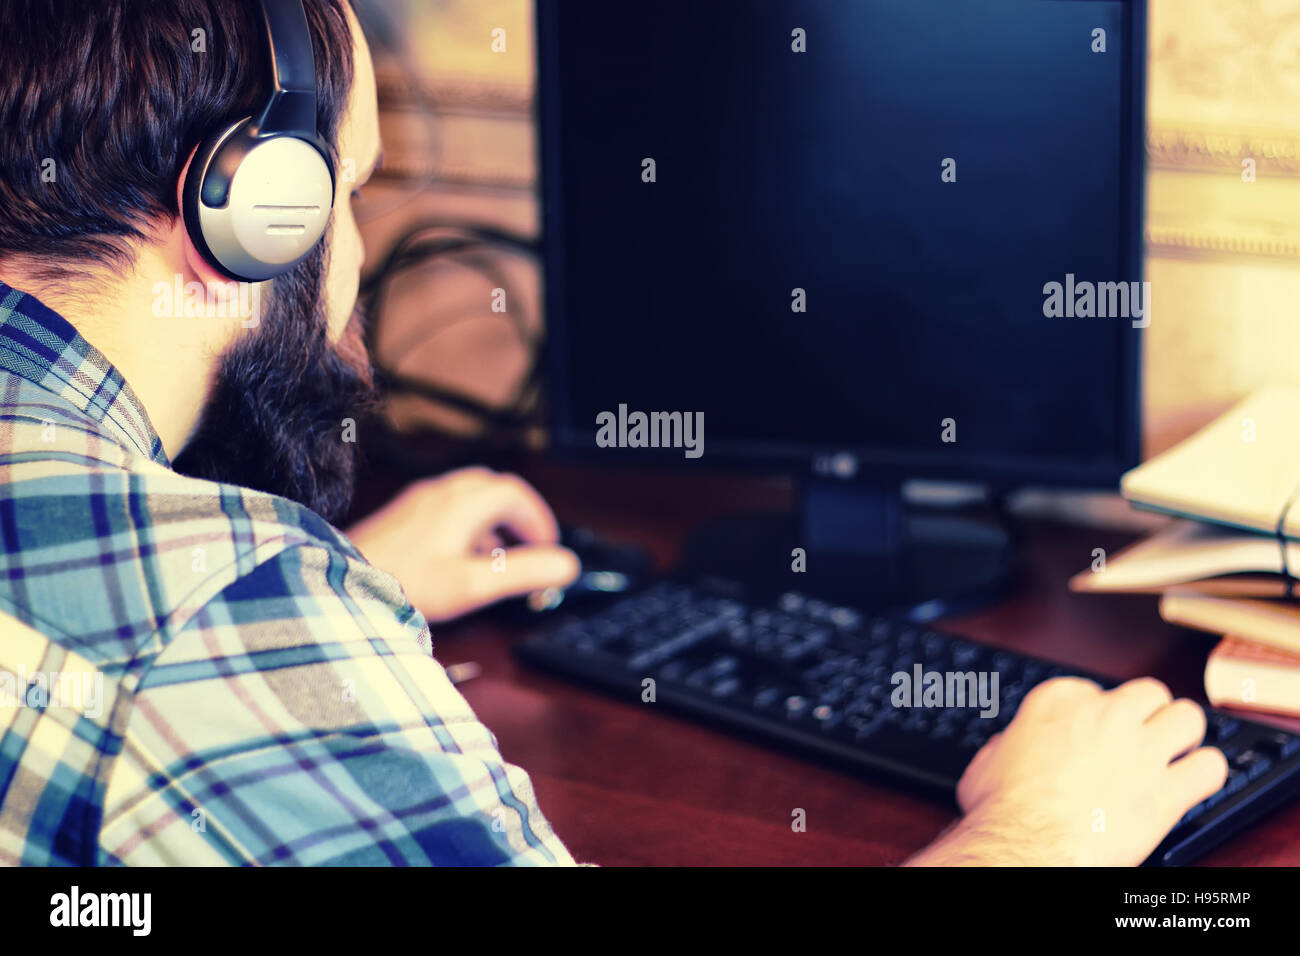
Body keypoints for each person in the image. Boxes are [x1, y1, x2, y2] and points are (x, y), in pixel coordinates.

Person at [0, 0, 1227, 867]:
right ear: (246, 215)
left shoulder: (164, 599)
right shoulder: (224, 609)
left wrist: (349, 597)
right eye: (352, 190)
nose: (359, 257)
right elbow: (165, 653)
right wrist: (1039, 834)